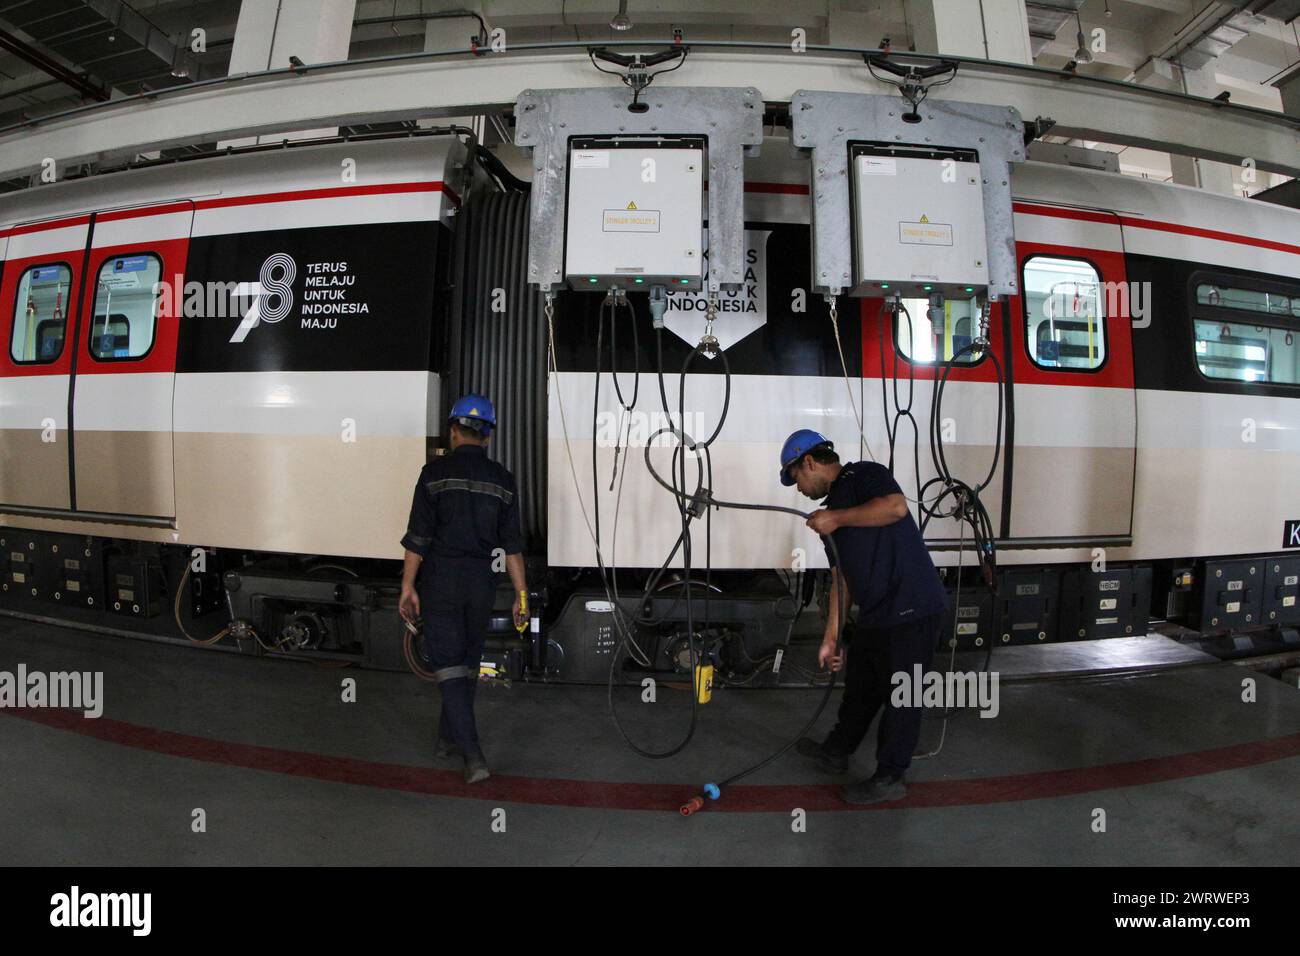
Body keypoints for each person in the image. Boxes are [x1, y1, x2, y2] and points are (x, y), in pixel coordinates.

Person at [778, 428, 946, 804]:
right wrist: (830, 636)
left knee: (904, 694)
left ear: (809, 462)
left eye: (796, 478)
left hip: (913, 605)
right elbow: (841, 577)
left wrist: (838, 518)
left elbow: (896, 508)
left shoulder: (864, 475)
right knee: (861, 685)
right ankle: (837, 751)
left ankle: (890, 776)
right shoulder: (830, 514)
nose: (798, 488)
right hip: (878, 611)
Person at [398, 394, 528, 783]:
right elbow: (513, 547)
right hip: (481, 584)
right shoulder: (503, 480)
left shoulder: (433, 475)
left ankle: (473, 757)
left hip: (442, 581)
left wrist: (408, 586)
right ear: (487, 437)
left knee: (448, 665)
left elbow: (417, 539)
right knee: (466, 664)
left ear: (454, 431)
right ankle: (447, 739)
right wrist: (521, 596)